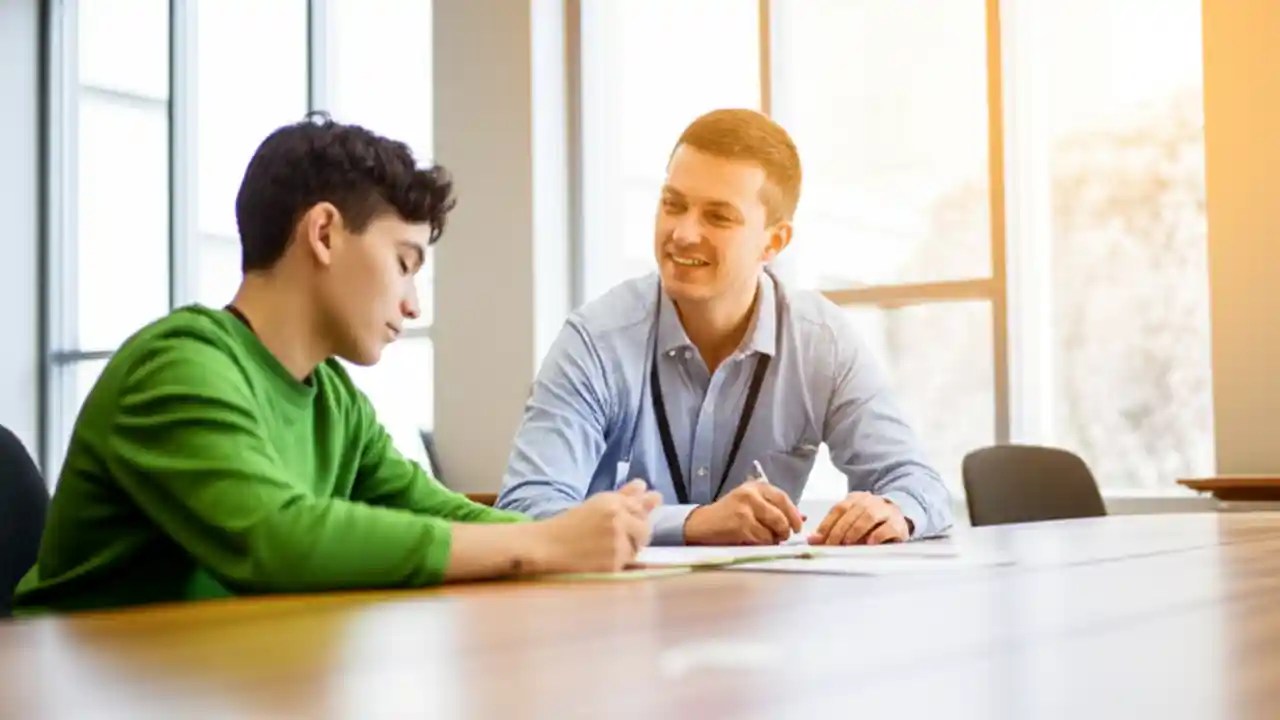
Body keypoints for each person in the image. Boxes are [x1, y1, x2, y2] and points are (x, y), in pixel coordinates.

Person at [13, 114, 660, 614]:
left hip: (211, 675)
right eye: (404, 262)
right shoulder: (179, 367)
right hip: (75, 683)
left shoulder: (331, 397)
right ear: (323, 233)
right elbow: (278, 539)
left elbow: (432, 510)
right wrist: (543, 546)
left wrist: (586, 538)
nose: (412, 305)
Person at [496, 108, 951, 546]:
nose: (683, 233)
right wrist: (693, 523)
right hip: (610, 613)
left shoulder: (820, 341)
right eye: (673, 205)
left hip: (762, 612)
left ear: (774, 241)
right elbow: (527, 508)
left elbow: (918, 484)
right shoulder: (596, 340)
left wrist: (893, 510)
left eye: (718, 216)